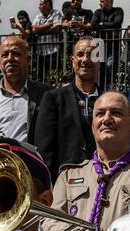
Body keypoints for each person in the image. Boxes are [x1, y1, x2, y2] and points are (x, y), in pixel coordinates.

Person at [47, 91, 130, 231]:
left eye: (116, 113)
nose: (107, 119)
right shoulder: (68, 176)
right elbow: (50, 223)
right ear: (93, 125)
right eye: (100, 114)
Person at [35, 37, 101, 178]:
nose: (85, 59)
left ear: (99, 61)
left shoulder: (109, 99)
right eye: (80, 54)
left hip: (104, 179)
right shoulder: (53, 99)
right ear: (72, 61)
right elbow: (45, 148)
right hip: (66, 182)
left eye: (91, 55)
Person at [0, 34, 49, 146]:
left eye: (16, 53)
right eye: (5, 55)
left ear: (28, 59)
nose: (10, 58)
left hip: (33, 161)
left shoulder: (46, 94)